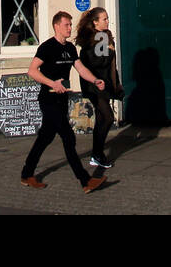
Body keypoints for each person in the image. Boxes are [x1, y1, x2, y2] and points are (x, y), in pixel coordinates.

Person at [20, 11, 108, 193]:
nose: (70, 28)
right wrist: (52, 83)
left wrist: (94, 80)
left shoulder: (69, 48)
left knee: (45, 137)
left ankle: (27, 174)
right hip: (48, 99)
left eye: (70, 25)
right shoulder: (47, 47)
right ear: (57, 26)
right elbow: (32, 71)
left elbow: (80, 67)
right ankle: (85, 180)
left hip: (62, 99)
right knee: (68, 137)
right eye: (66, 25)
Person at [75, 7, 121, 169]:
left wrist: (116, 83)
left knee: (102, 118)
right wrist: (109, 52)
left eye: (107, 18)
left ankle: (97, 155)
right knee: (107, 117)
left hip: (105, 83)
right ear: (95, 22)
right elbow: (96, 62)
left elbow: (111, 66)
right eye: (104, 19)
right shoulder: (92, 39)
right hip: (94, 85)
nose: (107, 21)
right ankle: (97, 154)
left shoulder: (104, 36)